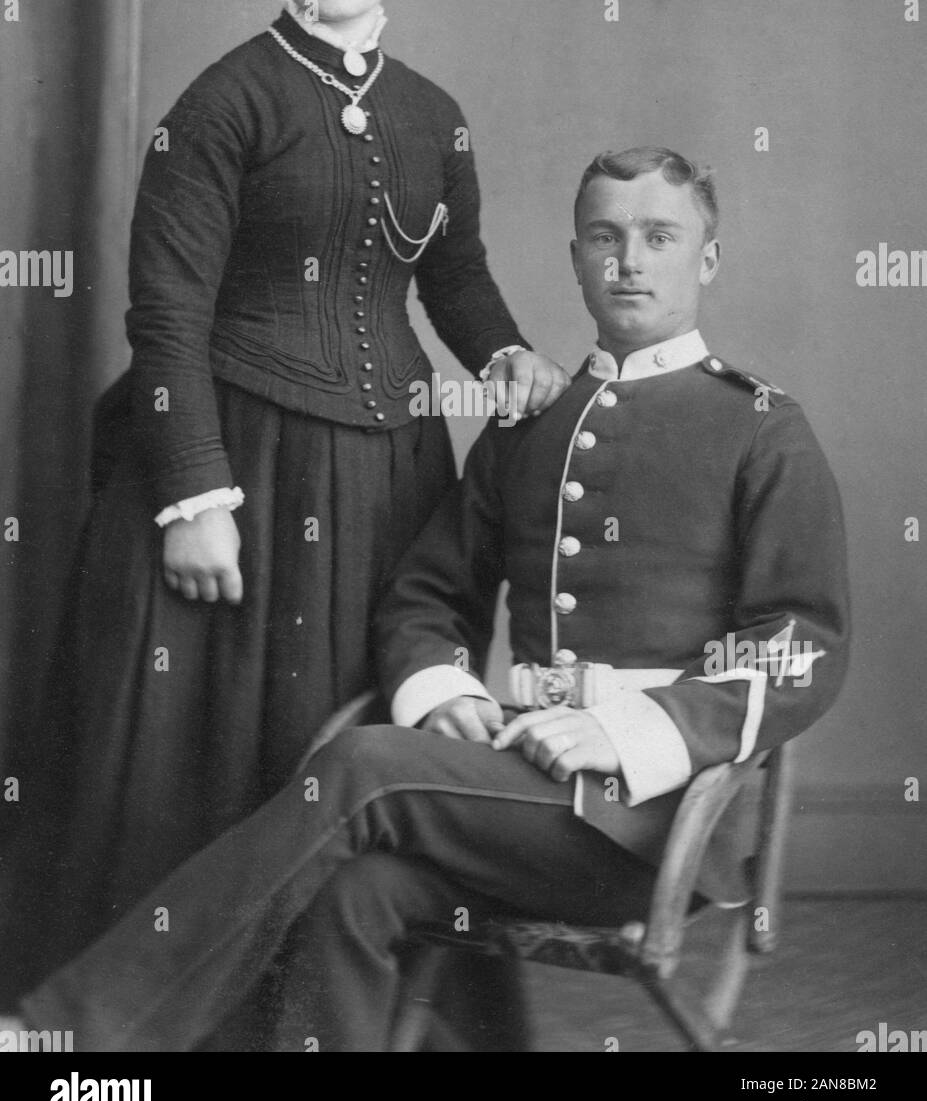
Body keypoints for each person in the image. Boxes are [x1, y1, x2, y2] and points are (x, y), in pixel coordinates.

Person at [12, 146, 850, 1052]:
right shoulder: (532, 425)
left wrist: (627, 731)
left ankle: (71, 1033)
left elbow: (799, 645)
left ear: (706, 259)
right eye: (604, 238)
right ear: (574, 258)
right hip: (512, 799)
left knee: (364, 768)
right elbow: (427, 595)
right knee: (352, 896)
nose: (629, 261)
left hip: (649, 821)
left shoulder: (760, 426)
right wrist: (446, 690)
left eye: (659, 237)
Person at [17, 0, 568, 984]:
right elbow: (165, 313)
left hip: (390, 479)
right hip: (239, 464)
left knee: (361, 731)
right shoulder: (224, 102)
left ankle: (339, 996)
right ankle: (154, 1015)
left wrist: (507, 350)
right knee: (209, 754)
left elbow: (452, 273)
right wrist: (191, 499)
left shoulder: (434, 114)